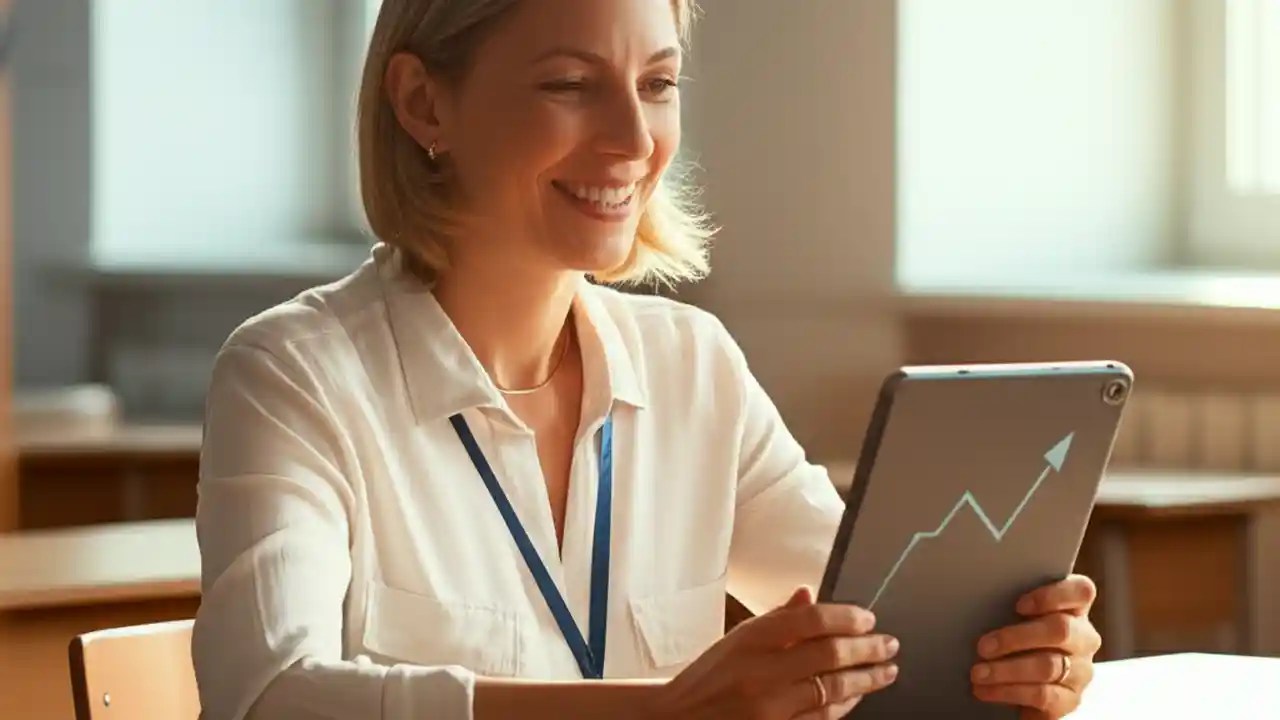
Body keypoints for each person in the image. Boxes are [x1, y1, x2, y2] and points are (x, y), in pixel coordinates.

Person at [192, 0, 1102, 718]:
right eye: (569, 85)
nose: (633, 141)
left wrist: (1011, 658)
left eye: (658, 83)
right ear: (425, 103)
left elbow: (881, 627)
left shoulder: (691, 365)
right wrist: (662, 714)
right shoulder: (292, 374)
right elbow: (269, 699)